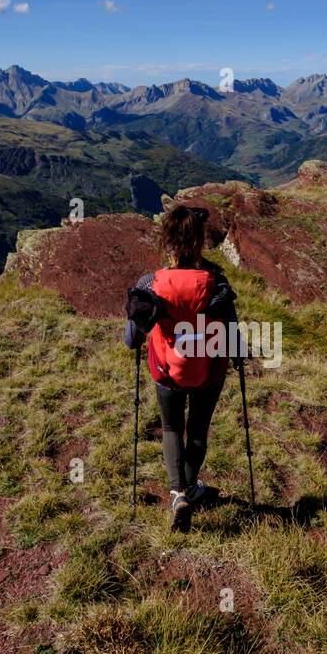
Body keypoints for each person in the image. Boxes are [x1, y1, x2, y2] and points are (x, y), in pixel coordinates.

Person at [124, 205, 240, 532]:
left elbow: (131, 340)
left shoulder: (150, 284)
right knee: (198, 429)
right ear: (199, 243)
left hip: (166, 372)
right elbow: (232, 335)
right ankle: (191, 487)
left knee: (172, 428)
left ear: (168, 244)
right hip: (208, 371)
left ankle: (178, 495)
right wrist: (240, 358)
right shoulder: (216, 282)